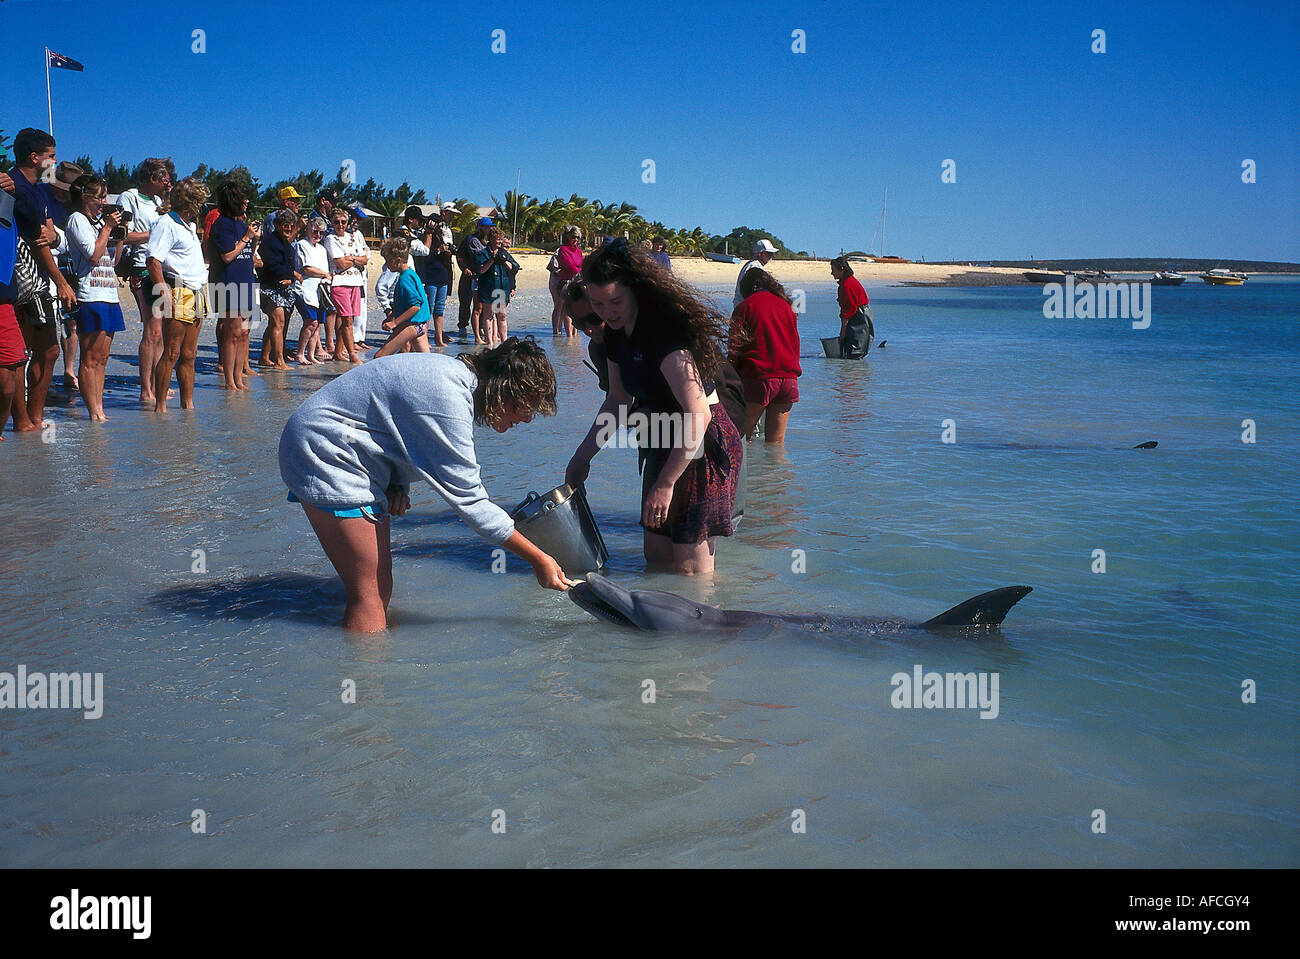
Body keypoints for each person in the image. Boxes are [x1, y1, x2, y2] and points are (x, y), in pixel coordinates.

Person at [278, 337, 573, 632]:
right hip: (324, 452)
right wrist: (538, 558)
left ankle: (370, 662)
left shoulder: (451, 377)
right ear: (502, 389)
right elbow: (471, 503)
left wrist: (396, 484)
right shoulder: (448, 399)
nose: (526, 418)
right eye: (524, 407)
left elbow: (390, 421)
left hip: (344, 450)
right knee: (369, 595)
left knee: (381, 585)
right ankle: (365, 676)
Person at [565, 239, 742, 575]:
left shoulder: (663, 333)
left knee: (690, 569)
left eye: (615, 301)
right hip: (661, 435)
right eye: (598, 304)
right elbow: (617, 401)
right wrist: (581, 457)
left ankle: (705, 625)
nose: (607, 312)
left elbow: (698, 413)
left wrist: (665, 483)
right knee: (657, 557)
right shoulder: (615, 335)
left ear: (636, 290)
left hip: (701, 441)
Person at [6, 128, 75, 432]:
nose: (55, 162)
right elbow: (37, 239)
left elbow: (51, 234)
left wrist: (53, 236)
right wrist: (61, 281)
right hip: (22, 280)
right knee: (23, 353)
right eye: (52, 156)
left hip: (38, 279)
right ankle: (22, 420)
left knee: (49, 350)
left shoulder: (39, 187)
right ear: (35, 157)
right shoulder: (15, 185)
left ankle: (33, 416)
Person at [63, 175, 125, 421]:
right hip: (90, 295)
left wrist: (117, 235)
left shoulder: (97, 224)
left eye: (104, 196)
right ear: (84, 197)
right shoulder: (77, 220)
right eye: (99, 197)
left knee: (103, 357)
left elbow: (113, 260)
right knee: (90, 357)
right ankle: (94, 411)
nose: (103, 202)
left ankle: (99, 408)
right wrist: (108, 227)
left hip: (108, 292)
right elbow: (92, 256)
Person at [147, 177, 210, 411]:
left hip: (198, 290)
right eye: (199, 202)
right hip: (179, 288)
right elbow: (153, 260)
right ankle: (160, 406)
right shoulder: (166, 223)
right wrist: (163, 288)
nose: (200, 207)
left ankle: (188, 405)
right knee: (171, 352)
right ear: (191, 202)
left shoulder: (190, 226)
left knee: (189, 353)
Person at [119, 157, 175, 405]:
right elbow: (120, 235)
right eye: (164, 179)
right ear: (151, 178)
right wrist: (153, 235)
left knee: (162, 331)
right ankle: (146, 389)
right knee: (151, 331)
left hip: (161, 267)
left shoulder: (157, 201)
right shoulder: (128, 197)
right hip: (141, 266)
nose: (167, 183)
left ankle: (157, 382)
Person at [728, 268, 801, 443]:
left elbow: (734, 348)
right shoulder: (787, 306)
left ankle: (746, 471)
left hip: (759, 378)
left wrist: (730, 380)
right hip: (789, 379)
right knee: (776, 446)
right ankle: (772, 471)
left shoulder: (744, 307)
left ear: (749, 287)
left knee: (736, 439)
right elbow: (795, 344)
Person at [208, 181, 260, 389]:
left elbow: (249, 254)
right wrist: (247, 238)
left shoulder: (240, 224)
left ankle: (239, 378)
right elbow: (228, 256)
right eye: (243, 198)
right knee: (232, 333)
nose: (247, 202)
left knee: (244, 332)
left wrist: (253, 239)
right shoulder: (222, 224)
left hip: (246, 280)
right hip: (227, 282)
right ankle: (229, 381)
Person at [44, 161, 83, 395]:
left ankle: (69, 370)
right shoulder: (43, 198)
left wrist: (58, 240)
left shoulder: (76, 206)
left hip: (72, 267)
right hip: (48, 267)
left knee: (71, 322)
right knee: (47, 320)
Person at [373, 237, 431, 357]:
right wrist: (392, 315)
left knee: (379, 356)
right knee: (425, 360)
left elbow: (415, 306)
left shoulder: (405, 279)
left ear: (397, 261)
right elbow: (405, 303)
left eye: (387, 261)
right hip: (421, 325)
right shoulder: (411, 273)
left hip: (413, 325)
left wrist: (394, 323)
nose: (386, 264)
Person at [257, 210, 299, 370]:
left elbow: (288, 265)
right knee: (278, 322)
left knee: (275, 323)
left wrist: (290, 277)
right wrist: (292, 274)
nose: (288, 229)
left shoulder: (284, 243)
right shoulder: (270, 242)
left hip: (280, 287)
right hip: (269, 287)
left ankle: (264, 357)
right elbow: (273, 266)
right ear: (277, 226)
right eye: (285, 226)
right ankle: (279, 361)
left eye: (291, 226)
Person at [324, 210, 365, 363]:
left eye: (343, 221)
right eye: (337, 222)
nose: (340, 225)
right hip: (340, 282)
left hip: (355, 281)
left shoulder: (352, 237)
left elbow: (365, 259)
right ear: (332, 223)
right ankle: (352, 354)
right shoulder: (330, 238)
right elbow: (339, 263)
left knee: (349, 318)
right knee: (346, 318)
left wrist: (351, 258)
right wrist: (355, 260)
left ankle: (339, 351)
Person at [293, 218, 332, 365]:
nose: (318, 235)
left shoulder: (321, 249)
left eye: (321, 232)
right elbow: (306, 268)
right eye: (314, 231)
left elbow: (325, 272)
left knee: (317, 324)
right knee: (311, 322)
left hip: (319, 291)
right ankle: (300, 353)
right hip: (305, 289)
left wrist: (325, 276)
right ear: (307, 230)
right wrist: (324, 274)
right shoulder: (302, 245)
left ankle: (311, 354)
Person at [474, 227, 519, 348]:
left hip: (502, 289)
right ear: (491, 239)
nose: (499, 242)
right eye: (497, 239)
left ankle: (504, 342)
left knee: (502, 315)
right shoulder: (483, 253)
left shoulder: (504, 253)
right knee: (488, 315)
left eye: (500, 239)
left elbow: (515, 268)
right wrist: (492, 259)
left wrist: (503, 260)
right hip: (488, 289)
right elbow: (480, 270)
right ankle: (490, 343)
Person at [456, 217, 491, 344]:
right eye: (486, 226)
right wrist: (464, 268)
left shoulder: (489, 242)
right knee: (465, 302)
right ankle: (462, 326)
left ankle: (481, 327)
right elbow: (459, 255)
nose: (488, 229)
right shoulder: (469, 239)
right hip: (468, 276)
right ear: (479, 227)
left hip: (483, 277)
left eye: (489, 227)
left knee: (481, 304)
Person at [830, 256, 874, 358]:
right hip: (863, 312)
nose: (831, 273)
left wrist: (843, 331)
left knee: (855, 350)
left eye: (833, 270)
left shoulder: (847, 286)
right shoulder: (847, 282)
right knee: (856, 346)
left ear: (841, 270)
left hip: (860, 315)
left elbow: (847, 311)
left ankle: (852, 372)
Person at [547, 226, 584, 336]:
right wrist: (580, 271)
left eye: (578, 237)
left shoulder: (578, 251)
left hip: (573, 280)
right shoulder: (563, 250)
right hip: (560, 281)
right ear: (568, 236)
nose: (576, 239)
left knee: (571, 308)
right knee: (560, 306)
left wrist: (580, 271)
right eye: (573, 237)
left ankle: (574, 334)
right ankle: (558, 332)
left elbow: (580, 264)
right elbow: (569, 266)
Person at [732, 238, 777, 310]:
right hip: (746, 308)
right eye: (768, 253)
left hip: (743, 307)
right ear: (760, 254)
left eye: (772, 253)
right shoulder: (755, 267)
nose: (771, 256)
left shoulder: (752, 264)